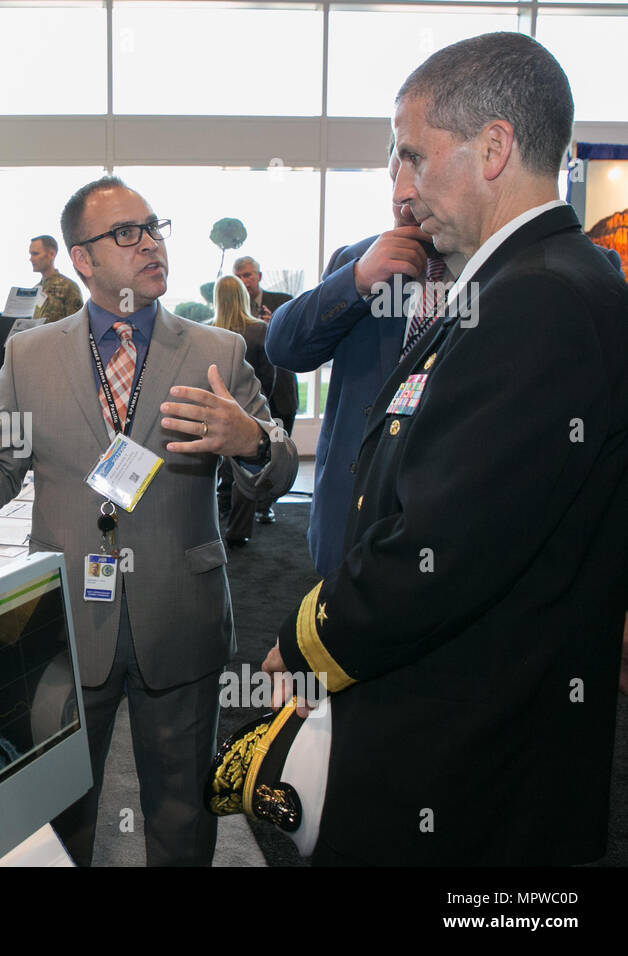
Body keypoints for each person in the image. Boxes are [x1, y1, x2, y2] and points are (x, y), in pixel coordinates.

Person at [263, 32, 628, 865]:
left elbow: (438, 547)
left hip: (470, 766)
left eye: (414, 158)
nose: (401, 189)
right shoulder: (539, 280)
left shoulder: (534, 303)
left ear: (494, 148)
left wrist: (299, 641)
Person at [0, 177, 297, 866]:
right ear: (82, 260)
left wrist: (252, 443)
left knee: (181, 811)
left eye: (155, 228)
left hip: (181, 613)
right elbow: (0, 455)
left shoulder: (217, 353)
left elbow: (280, 465)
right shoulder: (30, 354)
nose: (151, 244)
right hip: (68, 622)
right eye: (127, 233)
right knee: (61, 815)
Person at [265, 151, 464, 577]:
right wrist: (355, 279)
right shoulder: (359, 259)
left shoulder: (493, 272)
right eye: (393, 174)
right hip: (346, 530)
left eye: (415, 172)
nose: (400, 195)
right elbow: (284, 347)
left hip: (443, 535)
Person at [211, 275, 274, 546]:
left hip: (217, 411)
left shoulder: (207, 332)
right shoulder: (260, 329)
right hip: (251, 411)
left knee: (221, 466)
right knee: (247, 472)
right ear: (243, 297)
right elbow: (269, 377)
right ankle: (238, 529)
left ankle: (219, 513)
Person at [232, 255, 296, 523]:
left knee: (277, 449)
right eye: (239, 276)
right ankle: (242, 510)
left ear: (259, 275)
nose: (244, 281)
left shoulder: (282, 301)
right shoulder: (233, 305)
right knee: (251, 454)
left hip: (280, 389)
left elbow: (298, 342)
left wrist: (273, 328)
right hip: (249, 395)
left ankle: (266, 505)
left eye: (247, 275)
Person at [29, 234, 83, 323]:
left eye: (35, 254)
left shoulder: (68, 287)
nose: (31, 259)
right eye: (30, 254)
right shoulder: (36, 289)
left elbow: (76, 325)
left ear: (51, 254)